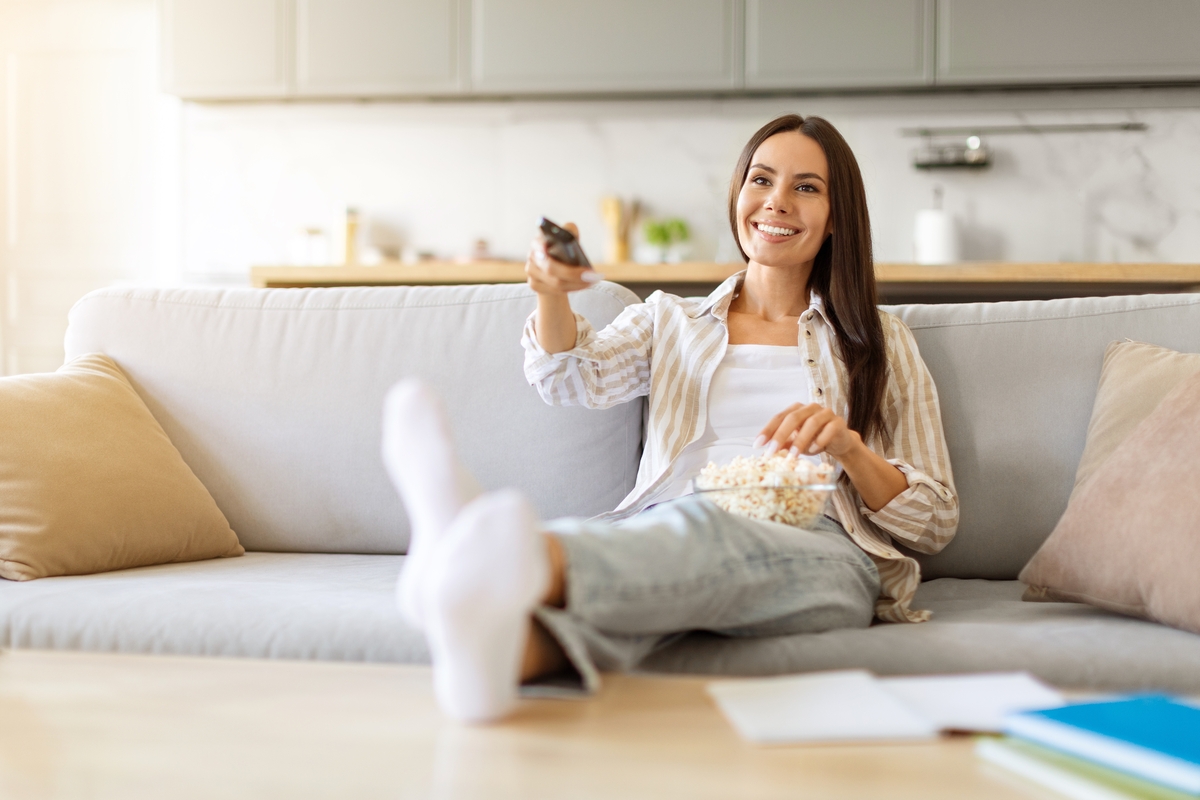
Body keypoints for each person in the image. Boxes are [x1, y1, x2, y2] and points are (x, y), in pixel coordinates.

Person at [382, 114, 958, 723]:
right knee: (655, 576)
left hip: (818, 545)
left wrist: (848, 448)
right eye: (761, 180)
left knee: (711, 536)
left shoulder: (880, 341)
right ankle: (486, 668)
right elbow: (570, 376)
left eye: (807, 187)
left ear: (837, 215)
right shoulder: (671, 321)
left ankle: (502, 553)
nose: (777, 202)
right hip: (667, 520)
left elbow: (936, 520)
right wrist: (552, 293)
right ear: (738, 194)